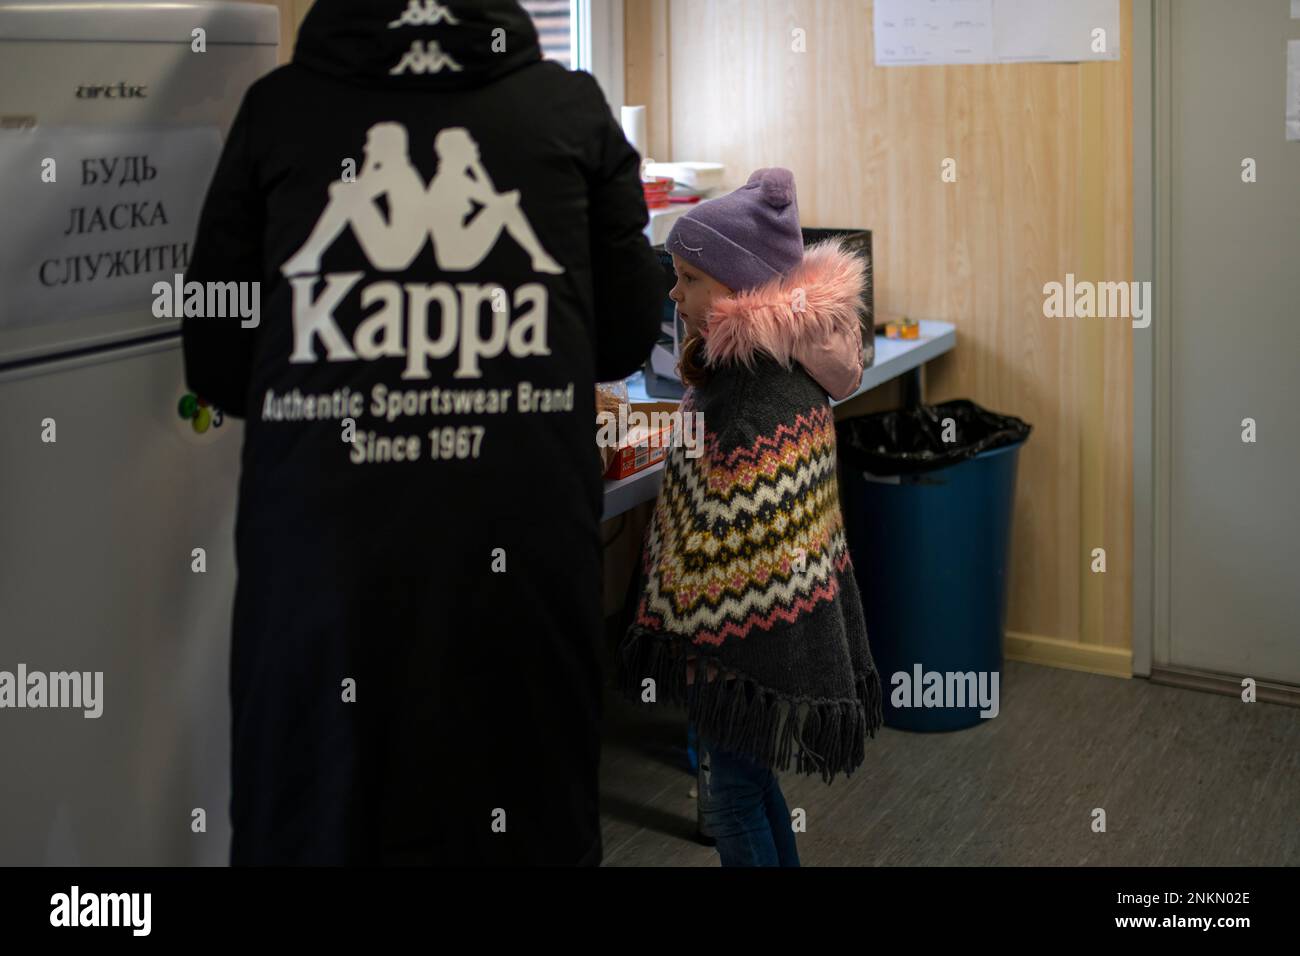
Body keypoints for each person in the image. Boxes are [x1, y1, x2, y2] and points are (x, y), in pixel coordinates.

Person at [182, 0, 662, 865]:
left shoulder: (280, 110)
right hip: (517, 576)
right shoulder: (569, 111)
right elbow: (626, 339)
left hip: (323, 577)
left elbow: (217, 364)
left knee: (321, 821)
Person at [619, 168, 884, 867]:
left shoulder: (750, 393)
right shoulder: (777, 366)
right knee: (751, 778)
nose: (673, 294)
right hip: (768, 631)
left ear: (736, 286)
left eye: (687, 279)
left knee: (732, 797)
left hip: (738, 640)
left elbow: (736, 530)